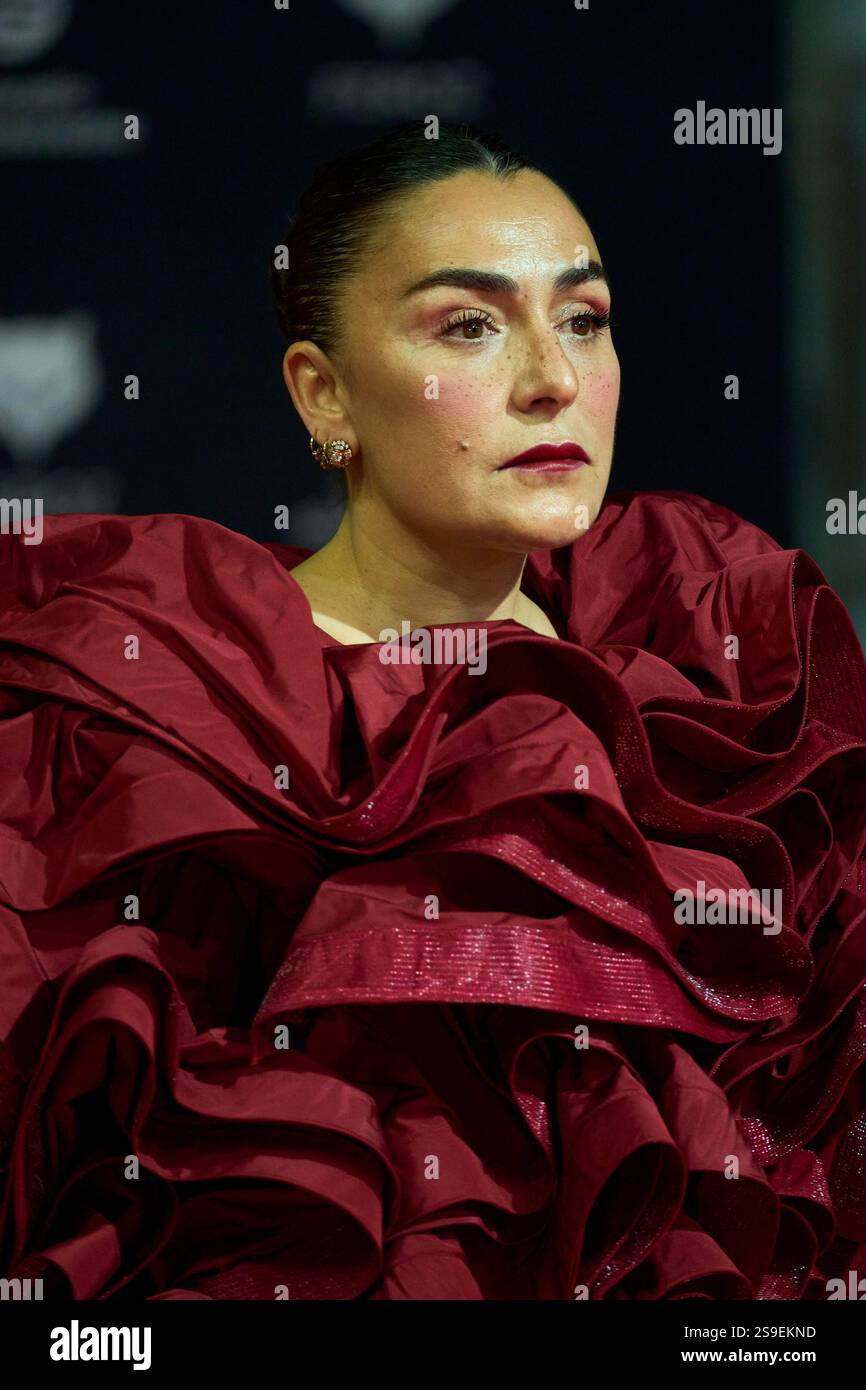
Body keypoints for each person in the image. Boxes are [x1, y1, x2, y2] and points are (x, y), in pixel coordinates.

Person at [1, 121, 865, 1301]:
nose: (551, 378)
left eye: (583, 318)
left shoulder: (720, 686)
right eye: (468, 323)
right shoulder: (166, 731)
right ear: (324, 392)